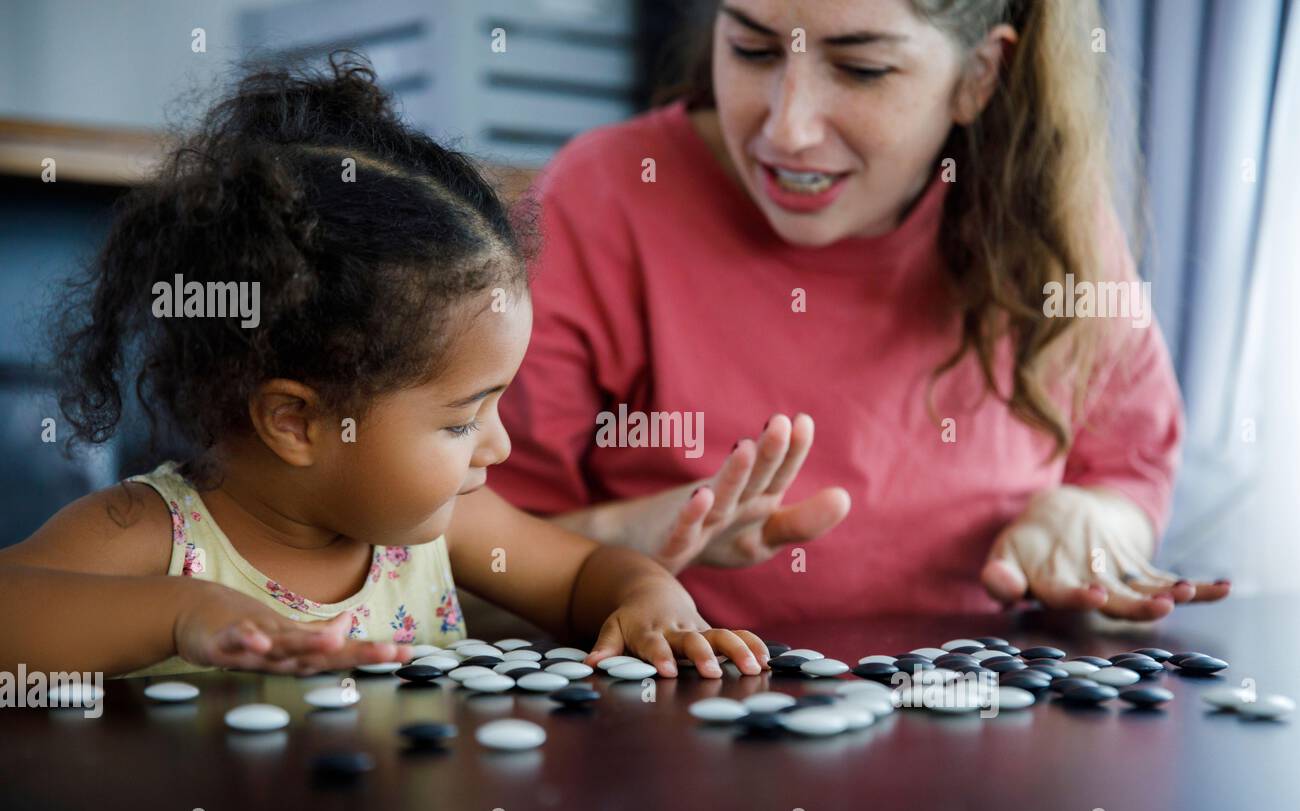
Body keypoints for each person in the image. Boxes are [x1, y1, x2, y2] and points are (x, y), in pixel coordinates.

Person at [0, 56, 767, 681]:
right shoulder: (154, 536)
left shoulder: (435, 530)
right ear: (296, 421)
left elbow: (584, 577)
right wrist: (179, 614)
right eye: (463, 418)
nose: (497, 447)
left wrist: (651, 596)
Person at [489, 0, 1231, 628]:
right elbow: (457, 559)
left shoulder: (1047, 222)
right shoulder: (599, 201)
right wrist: (623, 538)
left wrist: (1093, 520)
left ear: (980, 77)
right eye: (750, 49)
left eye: (861, 68)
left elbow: (1129, 469)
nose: (787, 129)